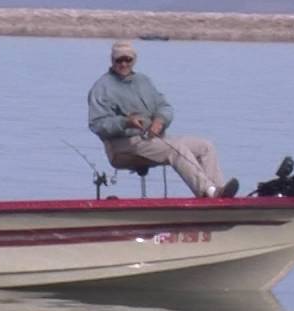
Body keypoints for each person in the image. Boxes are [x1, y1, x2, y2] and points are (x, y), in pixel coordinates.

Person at [87, 40, 239, 198]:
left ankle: (220, 194)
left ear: (134, 60)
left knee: (205, 147)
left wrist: (160, 120)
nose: (124, 64)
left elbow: (164, 106)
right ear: (112, 60)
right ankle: (208, 192)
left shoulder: (143, 81)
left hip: (153, 139)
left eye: (128, 60)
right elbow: (97, 124)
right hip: (123, 146)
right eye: (119, 60)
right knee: (176, 149)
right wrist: (125, 122)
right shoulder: (102, 88)